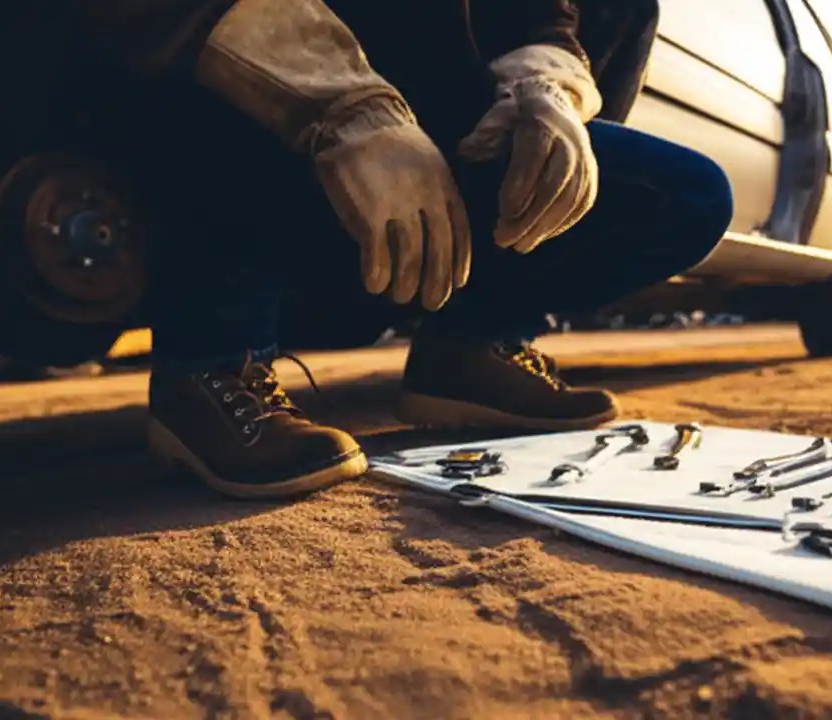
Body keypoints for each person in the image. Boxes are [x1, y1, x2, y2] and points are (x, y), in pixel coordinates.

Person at [66, 0, 734, 499]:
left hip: (432, 134)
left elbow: (544, 16)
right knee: (200, 43)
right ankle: (212, 360)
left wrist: (543, 91)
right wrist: (346, 109)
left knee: (688, 197)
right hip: (277, 119)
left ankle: (470, 347)